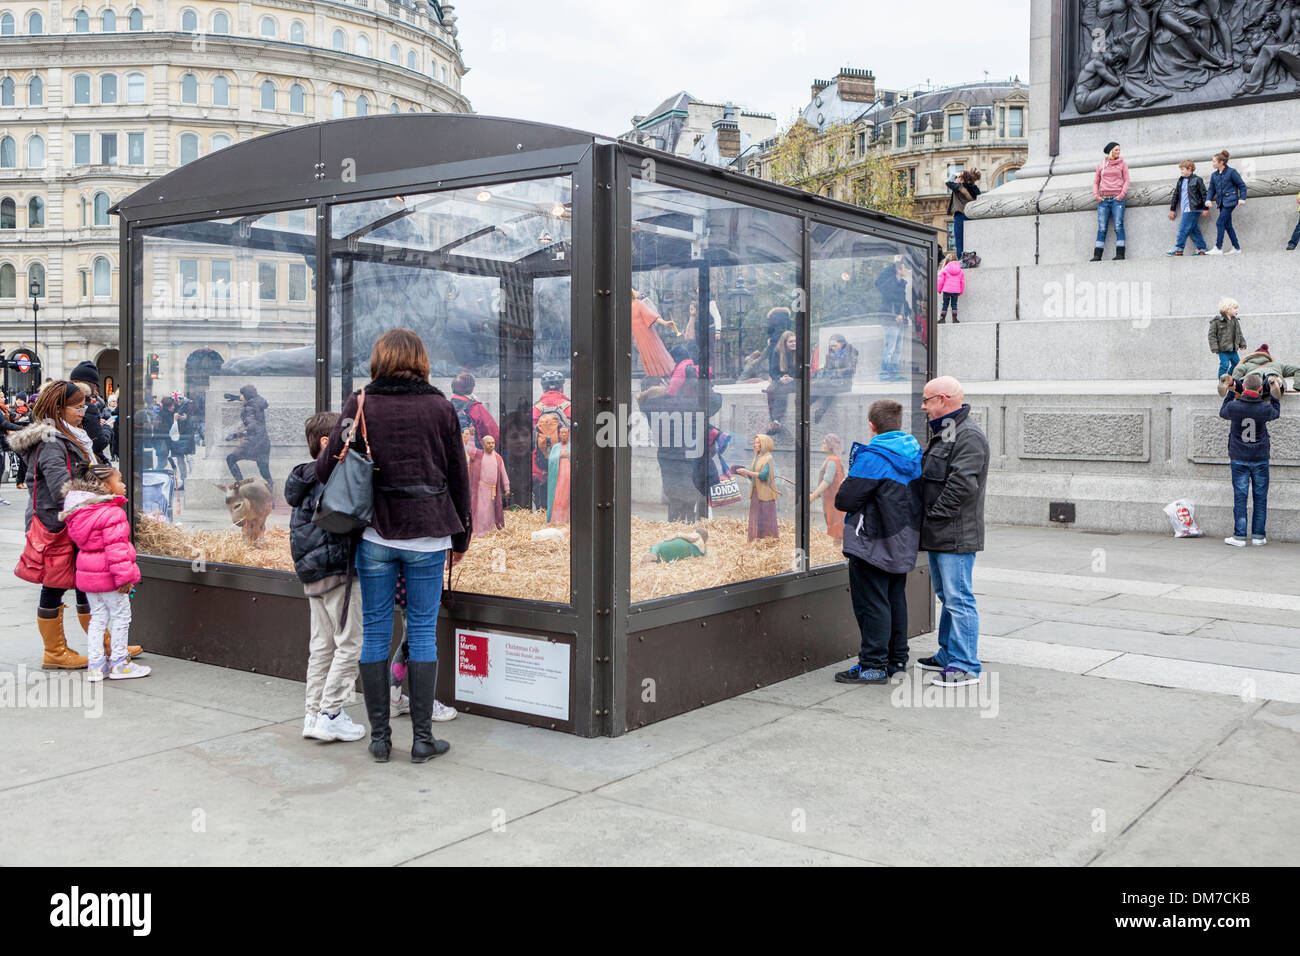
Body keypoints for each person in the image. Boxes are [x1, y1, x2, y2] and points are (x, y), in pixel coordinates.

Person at [316, 329, 471, 764]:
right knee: (422, 631)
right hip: (429, 535)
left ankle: (380, 740)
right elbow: (458, 475)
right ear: (421, 360)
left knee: (376, 633)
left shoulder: (361, 402)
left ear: (378, 359)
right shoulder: (442, 407)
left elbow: (327, 464)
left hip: (376, 534)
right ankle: (422, 739)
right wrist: (462, 536)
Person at [11, 381, 141, 669]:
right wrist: (98, 498)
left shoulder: (69, 435)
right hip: (56, 523)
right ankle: (55, 652)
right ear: (59, 409)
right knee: (54, 586)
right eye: (78, 406)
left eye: (85, 405)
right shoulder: (51, 441)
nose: (84, 411)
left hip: (73, 519)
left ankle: (107, 644)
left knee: (85, 582)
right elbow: (61, 486)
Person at [285, 411, 365, 743]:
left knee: (321, 646)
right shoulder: (330, 478)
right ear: (326, 443)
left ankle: (312, 714)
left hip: (313, 573)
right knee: (350, 644)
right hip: (337, 572)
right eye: (346, 437)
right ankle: (331, 713)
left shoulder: (302, 478)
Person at [833, 399, 923, 684]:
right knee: (895, 600)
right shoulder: (914, 454)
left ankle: (872, 665)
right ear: (897, 424)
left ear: (872, 425)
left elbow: (844, 499)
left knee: (871, 603)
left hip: (871, 543)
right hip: (902, 541)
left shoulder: (874, 457)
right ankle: (897, 661)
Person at [917, 376, 989, 687]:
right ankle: (948, 654)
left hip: (954, 533)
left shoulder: (968, 435)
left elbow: (962, 486)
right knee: (947, 595)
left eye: (927, 400)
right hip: (941, 530)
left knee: (958, 598)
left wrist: (933, 516)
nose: (923, 406)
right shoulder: (948, 431)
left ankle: (965, 665)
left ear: (944, 400)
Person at [59, 462, 149, 681]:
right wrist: (125, 578)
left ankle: (96, 665)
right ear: (104, 486)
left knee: (98, 618)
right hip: (110, 577)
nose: (124, 484)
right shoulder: (111, 513)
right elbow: (116, 550)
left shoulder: (80, 513)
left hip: (89, 576)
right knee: (121, 616)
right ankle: (119, 663)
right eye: (119, 480)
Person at [1218, 371, 1281, 546]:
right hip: (1260, 457)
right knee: (1260, 497)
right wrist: (1275, 395)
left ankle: (1239, 536)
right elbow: (1276, 412)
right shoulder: (1265, 408)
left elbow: (1223, 412)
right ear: (1260, 388)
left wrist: (1231, 391)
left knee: (1240, 496)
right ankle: (1258, 536)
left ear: (1243, 387)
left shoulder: (1234, 407)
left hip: (1238, 457)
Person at [532, 371, 571, 510]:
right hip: (564, 465)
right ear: (561, 387)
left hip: (540, 467)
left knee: (543, 507)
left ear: (543, 388)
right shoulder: (568, 407)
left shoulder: (536, 409)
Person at [225, 384, 272, 491]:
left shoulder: (248, 409)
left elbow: (252, 426)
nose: (240, 397)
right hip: (264, 441)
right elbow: (255, 400)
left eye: (242, 395)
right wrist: (237, 398)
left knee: (230, 459)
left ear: (247, 396)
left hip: (252, 442)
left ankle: (241, 487)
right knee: (265, 471)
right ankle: (270, 496)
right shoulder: (258, 402)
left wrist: (236, 435)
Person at [736, 433, 780, 541]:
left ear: (764, 444)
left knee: (765, 517)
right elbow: (754, 477)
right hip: (756, 492)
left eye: (758, 442)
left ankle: (767, 540)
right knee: (756, 516)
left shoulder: (768, 457)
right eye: (755, 442)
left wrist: (747, 472)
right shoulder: (757, 457)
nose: (756, 445)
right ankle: (755, 539)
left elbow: (763, 476)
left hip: (765, 493)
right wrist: (743, 474)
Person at [1092, 142, 1131, 261]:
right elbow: (1096, 182)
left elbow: (1127, 180)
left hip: (1117, 200)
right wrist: (1096, 195)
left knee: (1118, 226)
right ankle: (1097, 256)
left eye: (1119, 150)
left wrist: (1121, 195)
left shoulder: (1122, 164)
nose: (1118, 152)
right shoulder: (1101, 165)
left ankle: (1120, 254)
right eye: (1116, 150)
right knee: (1102, 228)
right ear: (1110, 151)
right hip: (1103, 200)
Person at [1205, 149, 1247, 254]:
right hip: (1221, 202)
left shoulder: (1231, 172)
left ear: (1221, 162)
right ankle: (1237, 248)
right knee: (1227, 225)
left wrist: (1242, 198)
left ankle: (1218, 247)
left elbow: (1242, 185)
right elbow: (1211, 189)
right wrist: (1208, 199)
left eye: (1214, 161)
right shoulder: (1214, 175)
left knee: (1219, 222)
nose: (1212, 163)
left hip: (1231, 201)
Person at [1166, 159, 1210, 256]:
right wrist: (1172, 209)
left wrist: (1206, 208)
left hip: (1193, 209)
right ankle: (1202, 249)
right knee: (1193, 230)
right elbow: (1175, 195)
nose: (1181, 172)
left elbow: (1204, 195)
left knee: (1183, 229)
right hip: (1185, 209)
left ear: (1190, 169)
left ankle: (1178, 249)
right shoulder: (1180, 180)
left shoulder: (1197, 180)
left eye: (1183, 169)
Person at [874, 259, 909, 380]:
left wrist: (905, 314)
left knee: (897, 349)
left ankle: (894, 373)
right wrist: (895, 315)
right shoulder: (889, 284)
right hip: (890, 320)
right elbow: (888, 301)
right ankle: (884, 373)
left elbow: (903, 302)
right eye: (904, 268)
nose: (906, 270)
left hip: (900, 321)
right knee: (890, 347)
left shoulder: (902, 283)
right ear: (899, 270)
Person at [811, 335, 858, 423]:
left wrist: (835, 372)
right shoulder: (830, 354)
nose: (833, 348)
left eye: (834, 345)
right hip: (831, 381)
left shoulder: (851, 352)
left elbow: (851, 369)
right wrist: (819, 372)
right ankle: (809, 404)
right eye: (831, 346)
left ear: (842, 344)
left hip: (844, 382)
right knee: (817, 385)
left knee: (829, 386)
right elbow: (827, 368)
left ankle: (822, 409)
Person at [69, 362, 109, 461]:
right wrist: (107, 428)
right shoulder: (88, 407)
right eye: (95, 386)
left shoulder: (66, 401)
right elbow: (98, 443)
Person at [809, 433, 846, 542]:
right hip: (832, 499)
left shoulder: (832, 461)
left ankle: (837, 550)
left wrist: (813, 496)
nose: (822, 445)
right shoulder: (833, 460)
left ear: (830, 445)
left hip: (834, 501)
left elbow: (827, 481)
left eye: (825, 443)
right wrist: (817, 494)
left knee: (836, 530)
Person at [449, 372, 500, 450]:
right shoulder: (476, 408)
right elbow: (494, 435)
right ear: (471, 388)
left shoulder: (445, 408)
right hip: (474, 457)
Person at [765, 330, 798, 433]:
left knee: (782, 390)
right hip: (781, 379)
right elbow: (772, 371)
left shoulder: (799, 353)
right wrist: (780, 378)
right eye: (791, 342)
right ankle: (773, 419)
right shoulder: (777, 353)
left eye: (795, 341)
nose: (794, 344)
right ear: (785, 343)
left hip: (795, 380)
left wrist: (790, 377)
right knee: (770, 390)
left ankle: (777, 420)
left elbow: (801, 371)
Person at [945, 169, 981, 258]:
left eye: (958, 177)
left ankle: (962, 262)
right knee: (971, 241)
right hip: (972, 217)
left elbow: (948, 182)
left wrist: (955, 173)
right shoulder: (975, 189)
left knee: (960, 243)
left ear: (961, 178)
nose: (956, 179)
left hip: (960, 215)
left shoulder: (960, 187)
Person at [1208, 298, 1247, 379]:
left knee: (1237, 365)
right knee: (1224, 365)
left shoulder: (1235, 321)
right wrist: (1214, 347)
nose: (1237, 310)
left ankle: (1229, 377)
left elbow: (1239, 333)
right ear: (1227, 309)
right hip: (1223, 350)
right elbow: (1212, 336)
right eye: (1235, 308)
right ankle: (1222, 381)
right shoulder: (1217, 321)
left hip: (1233, 349)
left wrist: (1242, 344)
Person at [642, 526, 709, 563]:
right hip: (683, 554)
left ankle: (653, 554)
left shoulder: (698, 535)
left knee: (658, 546)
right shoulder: (703, 551)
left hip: (681, 546)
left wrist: (676, 535)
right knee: (665, 558)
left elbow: (690, 537)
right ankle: (653, 561)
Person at [937, 251, 966, 324]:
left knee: (945, 304)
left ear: (947, 260)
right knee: (954, 304)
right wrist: (961, 291)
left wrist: (939, 289)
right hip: (956, 290)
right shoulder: (960, 270)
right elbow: (962, 282)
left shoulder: (945, 269)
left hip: (947, 290)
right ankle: (955, 319)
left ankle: (942, 319)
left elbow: (940, 280)